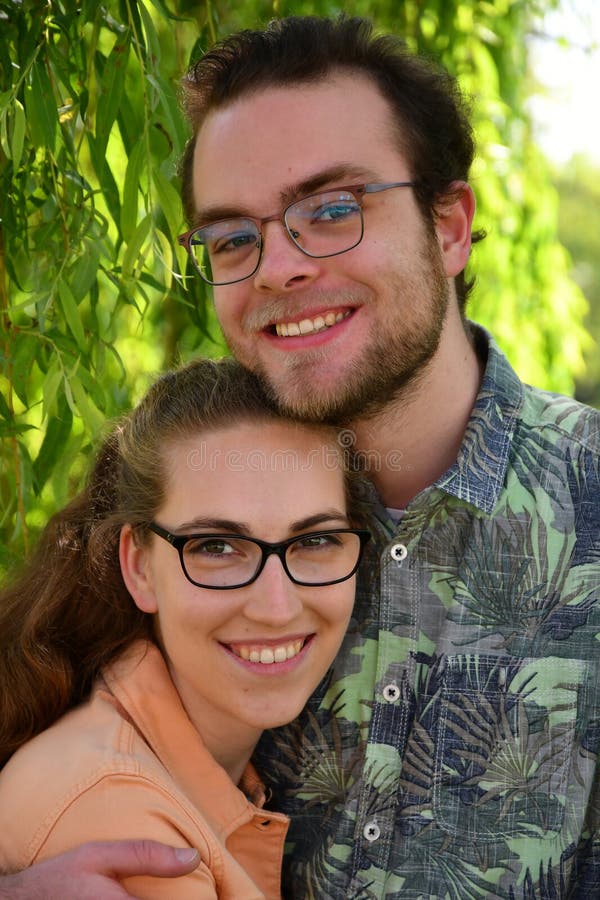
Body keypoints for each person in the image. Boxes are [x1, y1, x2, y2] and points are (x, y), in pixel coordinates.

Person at [4, 12, 600, 899]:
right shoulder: (184, 492)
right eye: (234, 237)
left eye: (331, 211)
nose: (276, 266)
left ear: (449, 226)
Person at [0, 356, 369, 898]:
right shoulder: (116, 817)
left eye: (314, 541)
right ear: (139, 566)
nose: (276, 607)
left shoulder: (215, 770)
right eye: (216, 547)